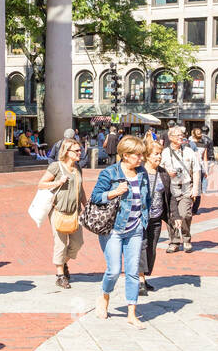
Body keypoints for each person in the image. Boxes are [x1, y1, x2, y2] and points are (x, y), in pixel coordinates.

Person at [89, 134, 149, 327]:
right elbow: (95, 196)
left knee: (132, 272)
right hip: (113, 229)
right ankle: (104, 297)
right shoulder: (110, 173)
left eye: (141, 155)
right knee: (114, 270)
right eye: (137, 155)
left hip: (135, 229)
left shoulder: (142, 173)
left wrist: (143, 221)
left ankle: (132, 312)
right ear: (125, 155)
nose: (140, 159)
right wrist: (114, 192)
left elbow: (145, 200)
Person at [38, 137, 87, 289]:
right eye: (77, 150)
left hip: (74, 212)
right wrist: (57, 182)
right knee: (60, 244)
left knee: (77, 243)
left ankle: (63, 262)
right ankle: (60, 275)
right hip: (58, 211)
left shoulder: (78, 168)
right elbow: (41, 184)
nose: (80, 153)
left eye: (80, 150)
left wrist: (87, 206)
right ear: (67, 152)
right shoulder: (56, 167)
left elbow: (81, 189)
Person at [137, 138, 172, 294]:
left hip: (156, 218)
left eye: (160, 154)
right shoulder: (138, 171)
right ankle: (140, 280)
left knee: (151, 249)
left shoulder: (163, 173)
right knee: (142, 247)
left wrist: (175, 217)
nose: (159, 157)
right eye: (156, 154)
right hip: (139, 218)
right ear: (147, 155)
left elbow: (169, 197)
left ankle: (144, 275)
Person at [162, 126, 201, 252]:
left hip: (185, 186)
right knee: (172, 215)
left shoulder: (189, 151)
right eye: (178, 135)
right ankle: (174, 241)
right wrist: (168, 172)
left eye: (181, 135)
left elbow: (196, 170)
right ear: (170, 137)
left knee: (185, 214)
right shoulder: (165, 153)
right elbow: (159, 169)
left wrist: (195, 189)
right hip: (170, 187)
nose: (181, 137)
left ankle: (186, 238)